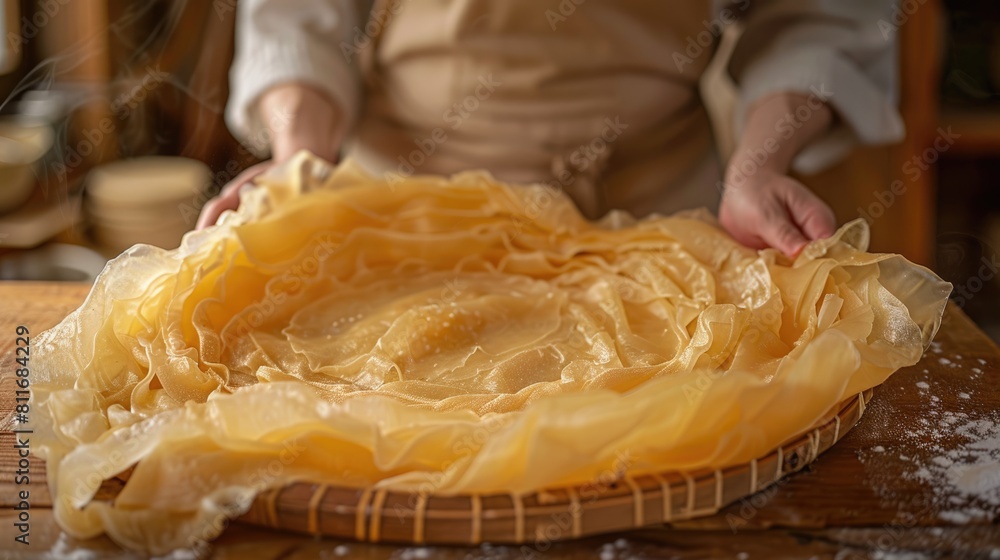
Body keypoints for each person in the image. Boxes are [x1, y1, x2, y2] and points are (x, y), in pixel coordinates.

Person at [197, 0, 904, 258]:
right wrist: (297, 159)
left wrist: (759, 165)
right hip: (405, 226)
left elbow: (818, 17)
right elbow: (298, 21)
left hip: (660, 223)